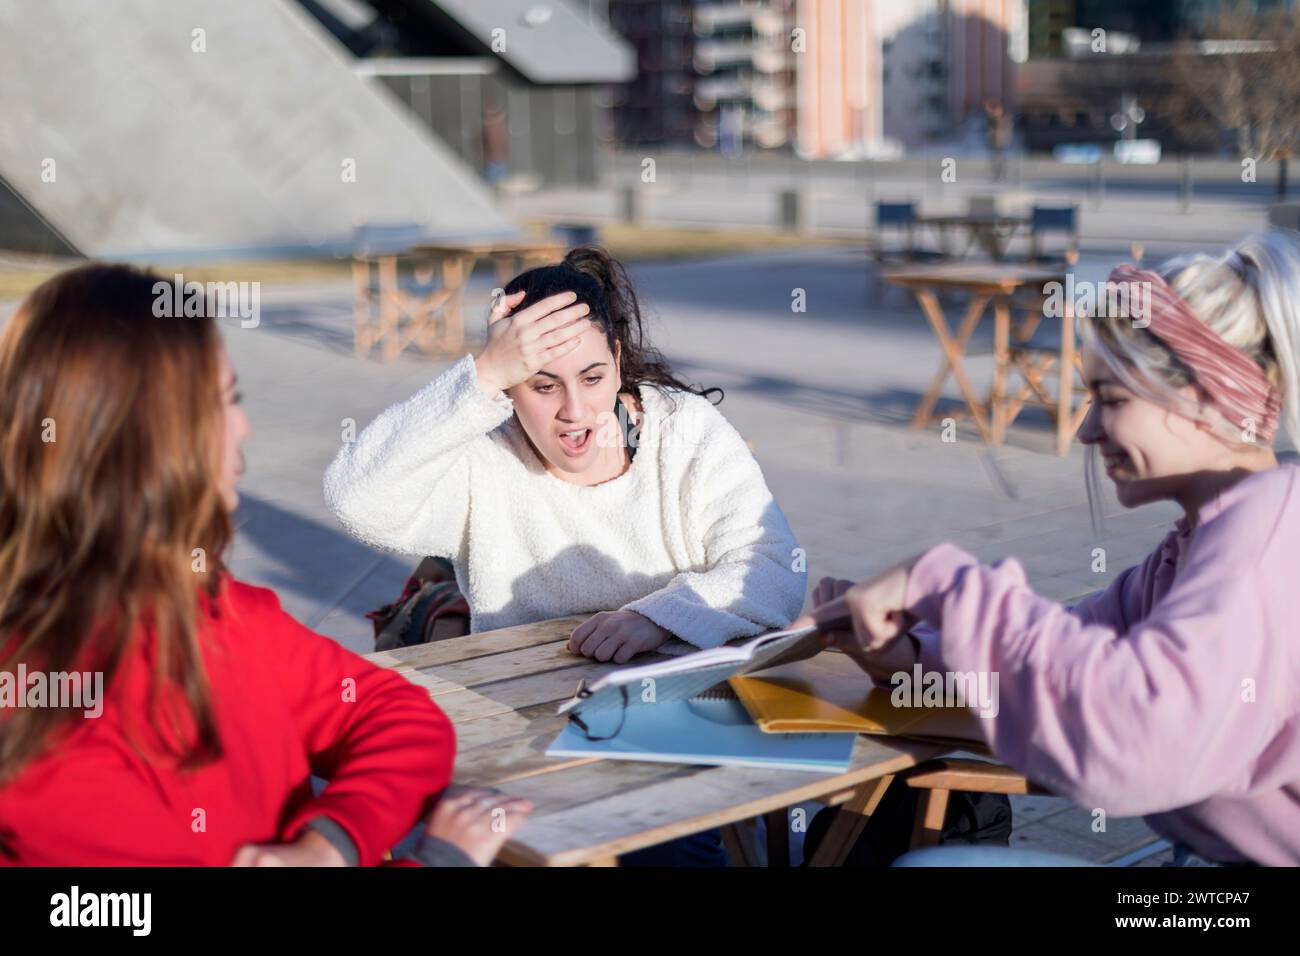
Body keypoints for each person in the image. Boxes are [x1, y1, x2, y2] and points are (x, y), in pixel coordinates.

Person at [800, 231, 1300, 866]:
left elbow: (1133, 744)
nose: (1088, 430)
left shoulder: (1264, 543)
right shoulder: (1203, 546)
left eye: (1112, 401)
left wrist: (950, 585)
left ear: (1205, 397)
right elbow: (1061, 652)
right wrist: (903, 656)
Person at [0, 264, 527, 866]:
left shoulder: (214, 611)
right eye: (224, 402)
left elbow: (397, 713)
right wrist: (440, 861)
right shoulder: (51, 719)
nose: (244, 425)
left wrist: (328, 845)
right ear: (151, 440)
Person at [325, 247, 806, 662]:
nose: (575, 412)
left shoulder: (684, 428)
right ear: (510, 385)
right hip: (521, 714)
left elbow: (775, 568)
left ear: (617, 363)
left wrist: (659, 618)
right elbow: (358, 502)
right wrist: (482, 375)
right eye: (543, 385)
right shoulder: (484, 458)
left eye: (593, 378)